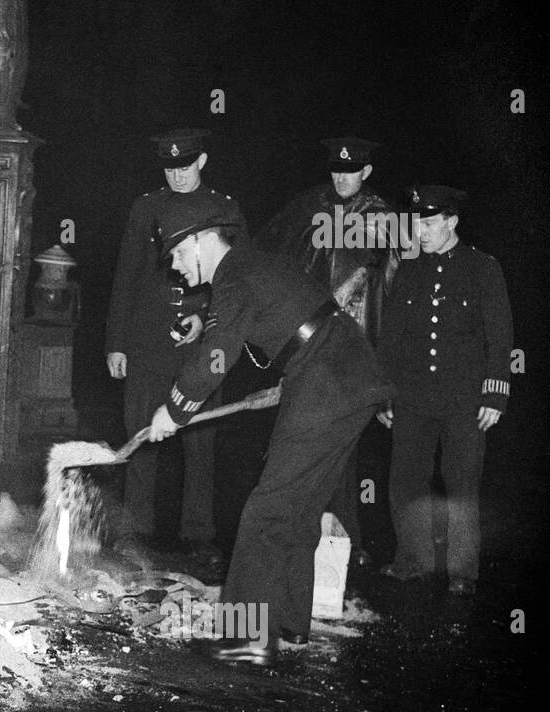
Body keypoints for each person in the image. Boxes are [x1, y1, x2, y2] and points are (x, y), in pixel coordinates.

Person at [146, 191, 394, 665]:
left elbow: (217, 356)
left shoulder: (234, 274)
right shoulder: (252, 265)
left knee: (265, 512)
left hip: (327, 378)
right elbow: (295, 320)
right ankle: (288, 624)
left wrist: (174, 410)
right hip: (340, 374)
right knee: (298, 509)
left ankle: (244, 640)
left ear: (201, 240)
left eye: (178, 253)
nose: (176, 266)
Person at [105, 129, 249, 567]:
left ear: (202, 161)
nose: (178, 176)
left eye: (185, 167)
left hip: (201, 346)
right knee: (142, 434)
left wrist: (204, 317)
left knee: (199, 440)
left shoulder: (224, 209)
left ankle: (199, 534)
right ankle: (134, 530)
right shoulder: (146, 207)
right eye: (170, 169)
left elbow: (236, 279)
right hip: (147, 339)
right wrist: (116, 342)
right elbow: (126, 275)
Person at [255, 137, 396, 570]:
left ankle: (344, 544)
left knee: (343, 447)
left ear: (366, 173)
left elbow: (394, 289)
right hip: (305, 344)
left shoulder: (383, 217)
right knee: (296, 441)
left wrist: (386, 371)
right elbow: (266, 249)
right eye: (336, 170)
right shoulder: (306, 206)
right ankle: (291, 538)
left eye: (350, 171)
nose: (341, 177)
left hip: (354, 348)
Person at [375, 185, 512, 594]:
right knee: (406, 482)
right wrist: (384, 392)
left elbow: (500, 334)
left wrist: (495, 392)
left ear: (452, 222)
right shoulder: (410, 270)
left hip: (463, 400)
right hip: (413, 397)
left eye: (429, 223)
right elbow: (393, 336)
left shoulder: (482, 267)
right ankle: (411, 561)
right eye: (416, 223)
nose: (420, 232)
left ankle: (462, 573)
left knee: (461, 484)